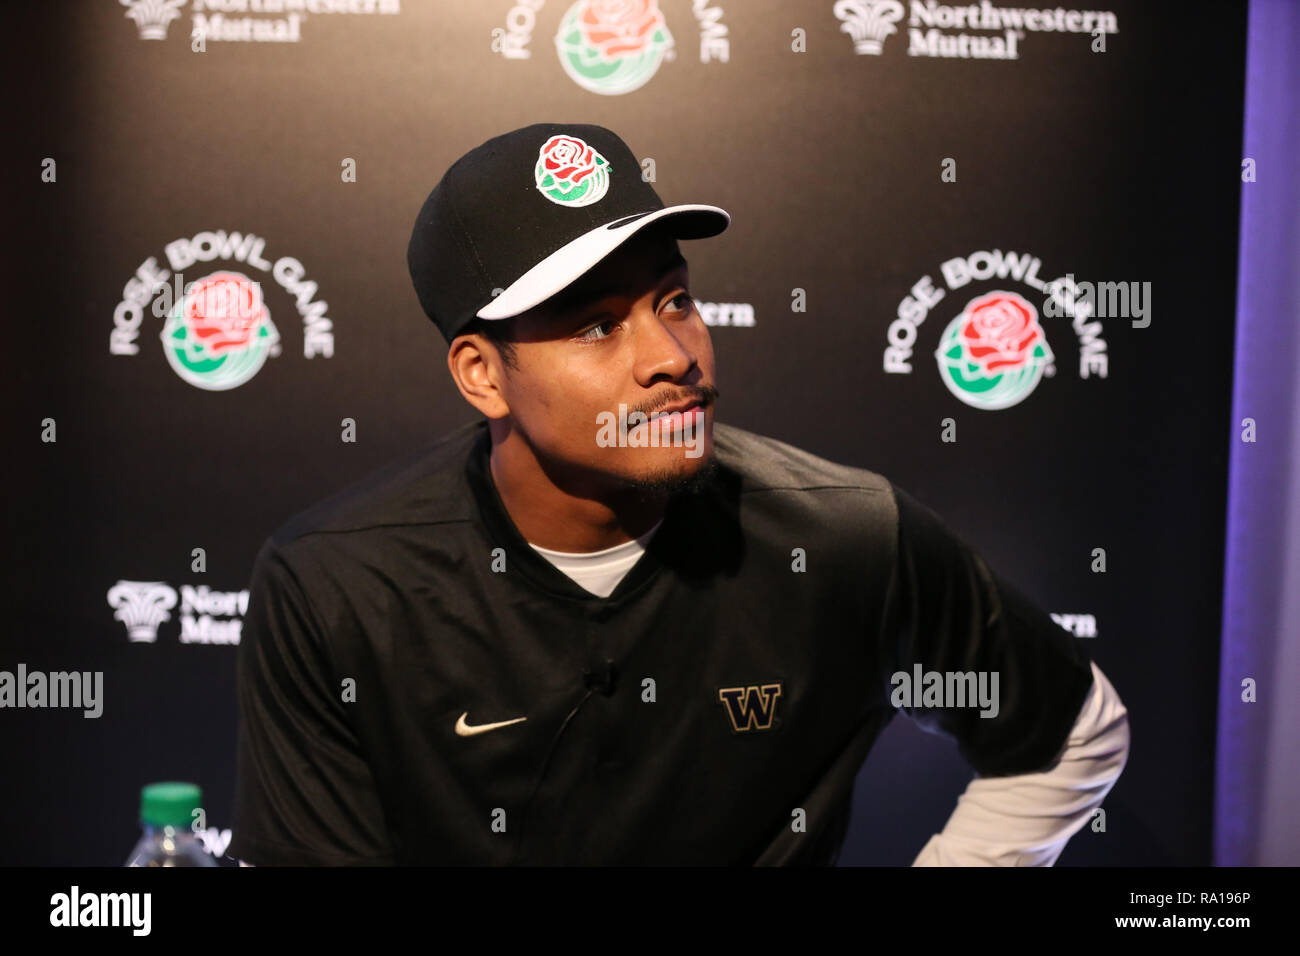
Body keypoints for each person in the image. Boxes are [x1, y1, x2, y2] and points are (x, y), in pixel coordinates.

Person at [229, 123, 1129, 866]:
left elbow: (1073, 730)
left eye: (674, 301)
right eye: (595, 325)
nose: (671, 356)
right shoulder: (337, 585)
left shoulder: (846, 533)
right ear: (482, 376)